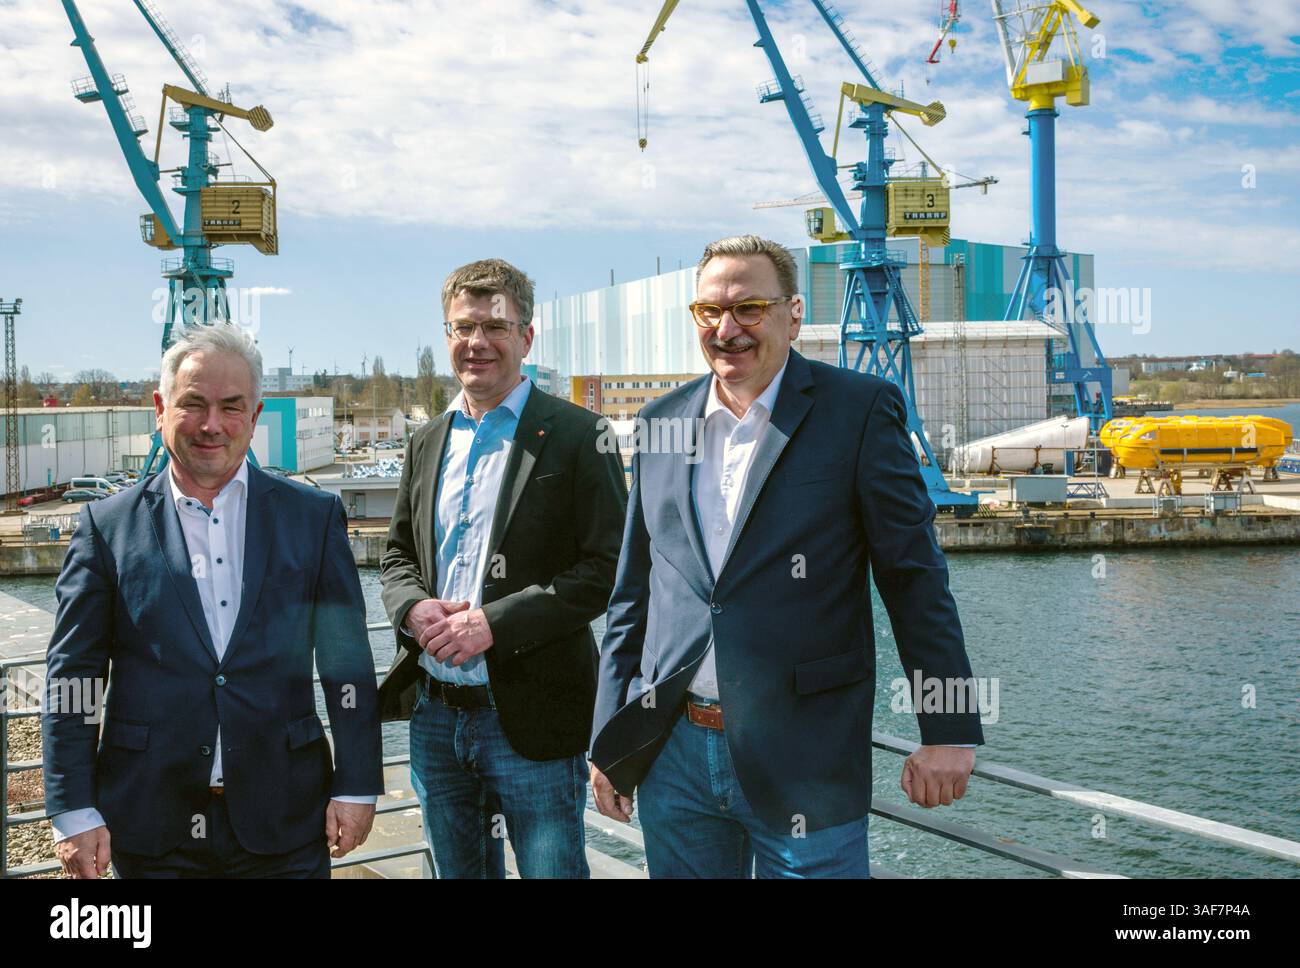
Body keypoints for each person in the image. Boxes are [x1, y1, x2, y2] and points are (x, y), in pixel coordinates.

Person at [589, 235, 984, 878]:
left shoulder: (857, 411)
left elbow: (914, 581)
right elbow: (634, 592)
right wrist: (609, 737)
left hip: (805, 755)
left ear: (793, 314)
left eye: (749, 308)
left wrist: (946, 727)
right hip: (673, 755)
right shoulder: (661, 423)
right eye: (709, 311)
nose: (727, 328)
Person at [43, 323, 383, 878]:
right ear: (160, 407)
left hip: (287, 823)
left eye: (231, 406)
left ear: (255, 414)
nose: (211, 425)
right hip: (150, 828)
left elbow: (346, 664)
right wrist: (73, 807)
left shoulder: (313, 519)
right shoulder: (106, 528)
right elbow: (74, 675)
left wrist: (357, 782)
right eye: (193, 404)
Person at [378, 258, 626, 878]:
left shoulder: (578, 435)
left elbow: (609, 566)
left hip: (533, 718)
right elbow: (398, 555)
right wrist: (413, 607)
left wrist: (496, 623)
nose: (476, 343)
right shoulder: (426, 440)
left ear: (526, 337)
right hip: (434, 717)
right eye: (463, 328)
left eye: (494, 327)